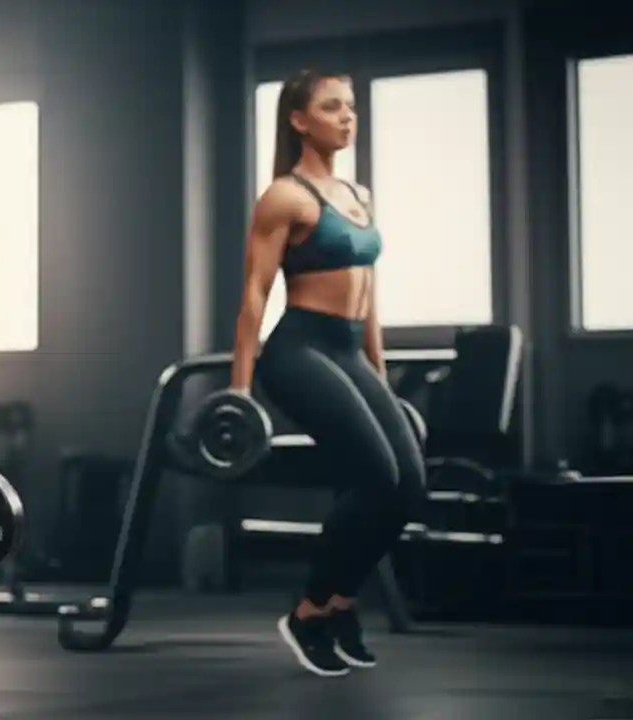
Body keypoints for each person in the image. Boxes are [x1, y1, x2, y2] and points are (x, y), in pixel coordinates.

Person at [228, 69, 426, 677]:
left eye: (352, 107)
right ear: (298, 119)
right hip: (300, 350)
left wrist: (381, 375)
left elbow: (371, 298)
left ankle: (339, 604)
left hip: (348, 350)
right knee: (374, 475)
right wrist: (238, 393)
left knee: (409, 482)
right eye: (333, 106)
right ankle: (309, 610)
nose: (348, 117)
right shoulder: (284, 197)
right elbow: (256, 296)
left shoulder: (358, 196)